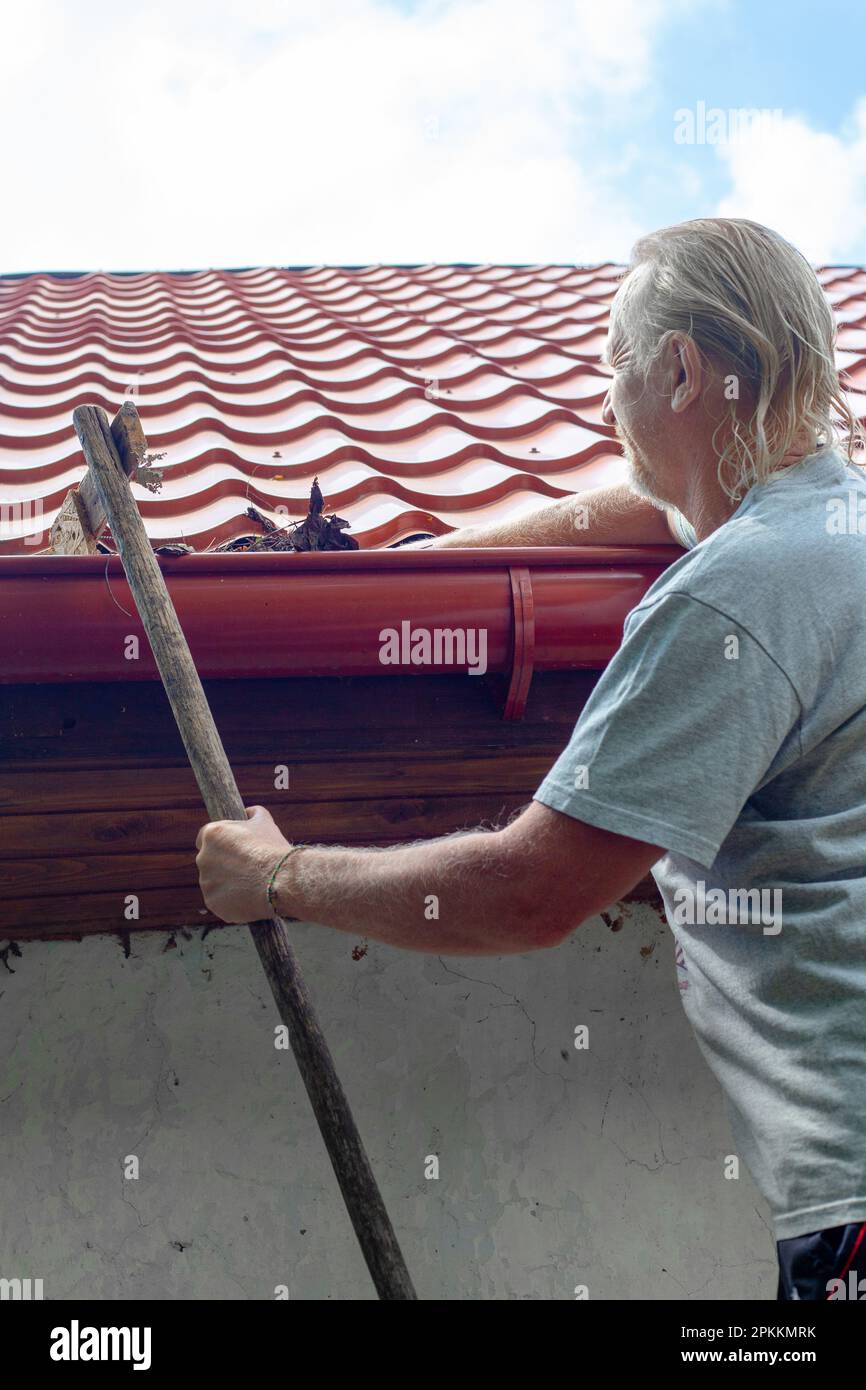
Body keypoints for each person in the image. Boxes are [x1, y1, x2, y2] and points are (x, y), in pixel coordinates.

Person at [196, 218, 866, 1302]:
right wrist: (416, 570)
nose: (607, 402)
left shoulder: (733, 596)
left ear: (679, 369)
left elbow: (528, 891)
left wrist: (277, 874)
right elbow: (646, 509)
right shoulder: (831, 533)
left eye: (614, 365)